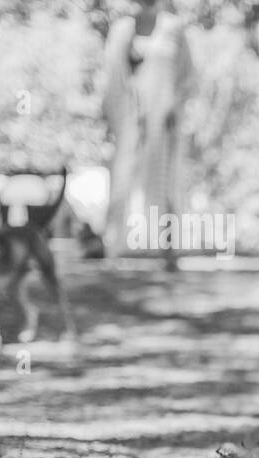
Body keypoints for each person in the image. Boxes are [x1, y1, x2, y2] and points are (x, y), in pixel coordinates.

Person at [101, 0, 194, 270]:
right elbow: (111, 79)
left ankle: (169, 250)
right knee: (121, 182)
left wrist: (173, 108)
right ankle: (114, 250)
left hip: (163, 122)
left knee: (166, 184)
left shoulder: (174, 29)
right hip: (128, 120)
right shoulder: (121, 30)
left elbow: (187, 77)